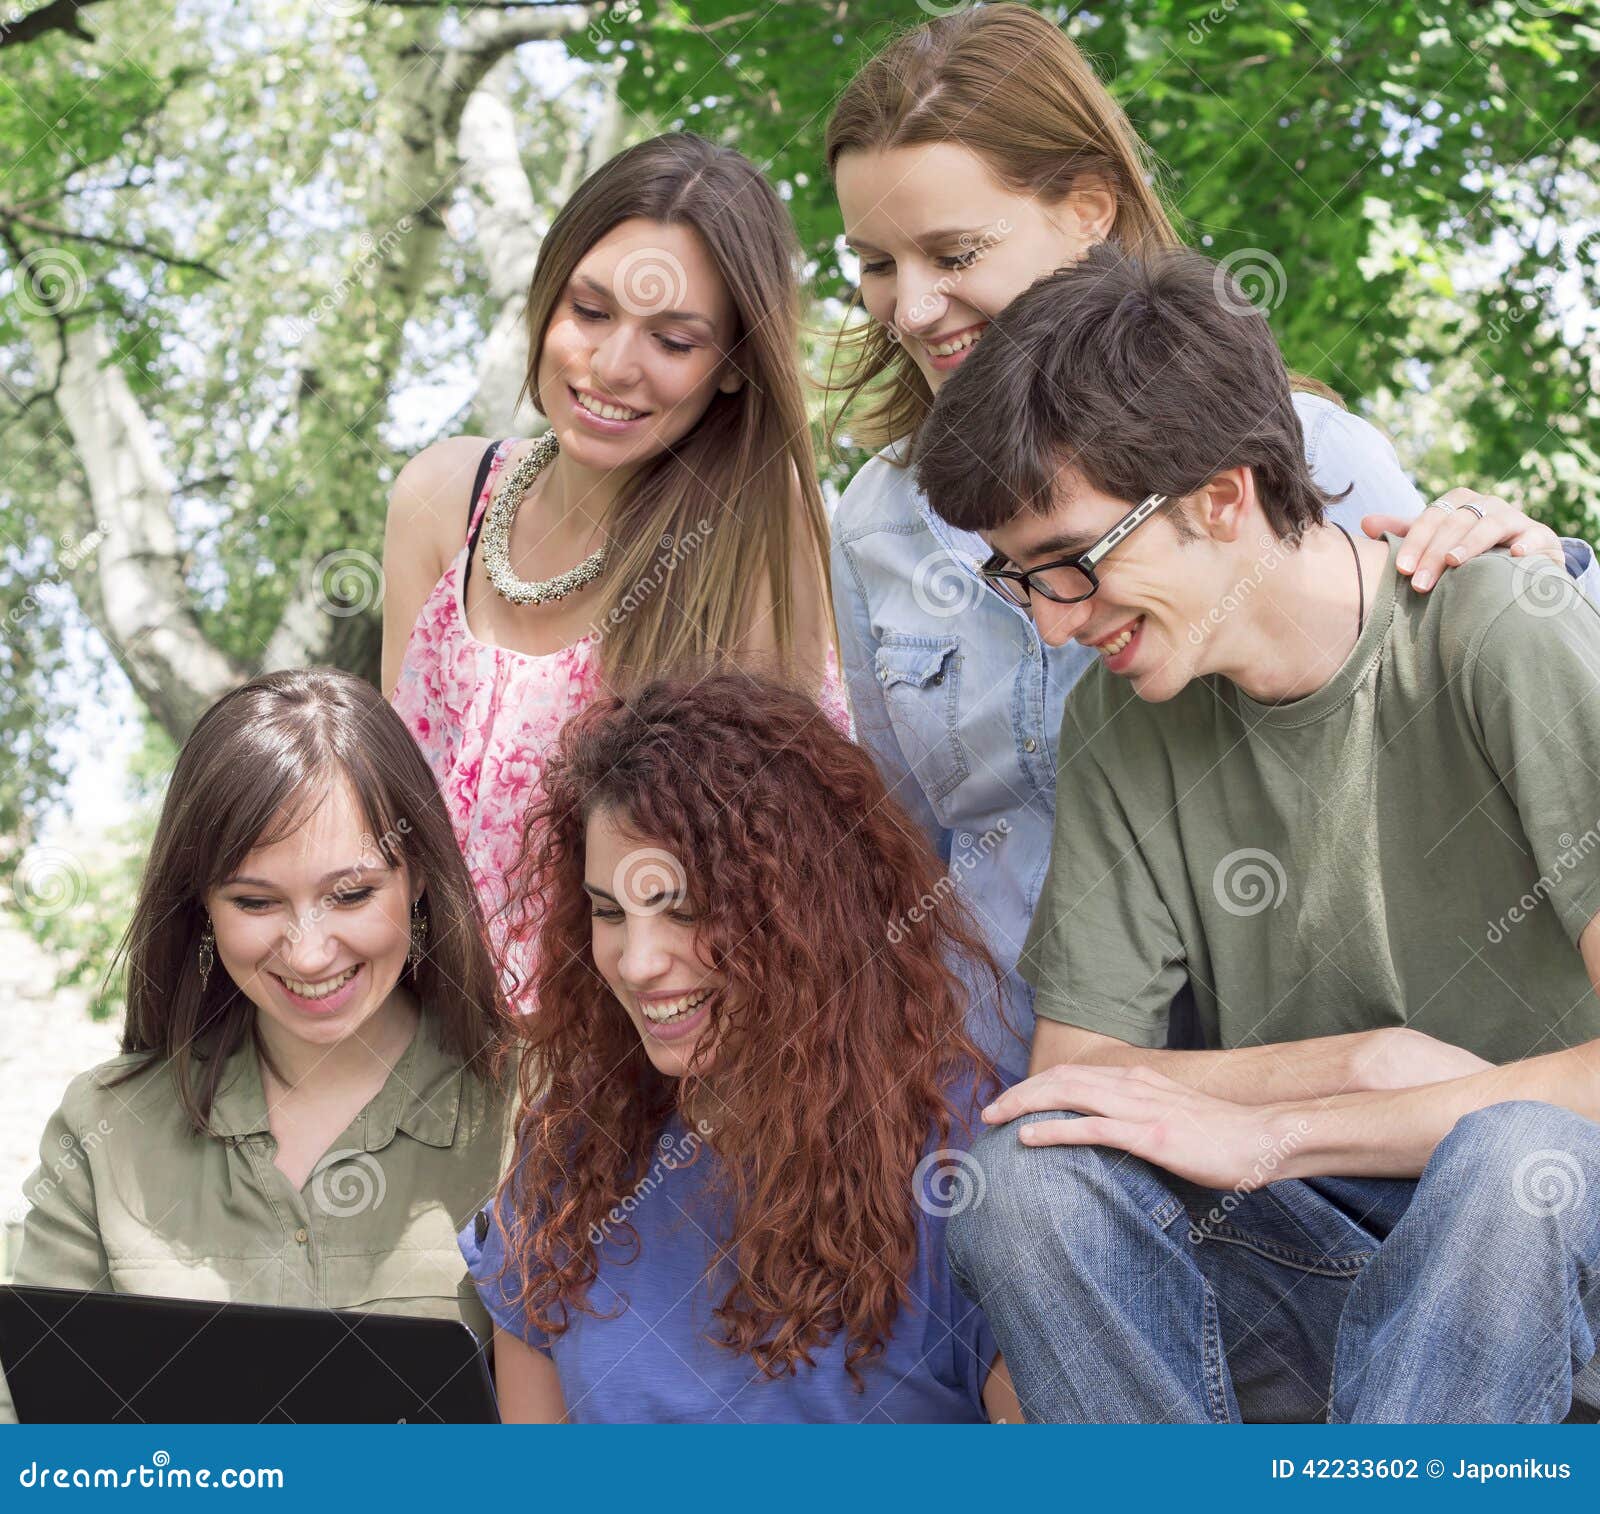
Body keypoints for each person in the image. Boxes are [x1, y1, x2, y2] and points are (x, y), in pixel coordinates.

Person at [823, 1, 1600, 1080]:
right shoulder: (873, 524)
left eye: (953, 251)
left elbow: (1444, 676)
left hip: (1304, 1080)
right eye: (871, 263)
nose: (908, 307)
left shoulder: (1299, 444)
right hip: (1018, 1070)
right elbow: (895, 853)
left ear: (1088, 207)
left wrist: (1546, 568)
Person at [913, 241, 1600, 1425]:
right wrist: (1359, 1064)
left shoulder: (1497, 628)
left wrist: (1273, 1129)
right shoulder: (1120, 724)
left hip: (1540, 1252)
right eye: (1018, 580)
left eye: (1069, 564)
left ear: (1219, 496)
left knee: (1507, 1157)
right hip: (1309, 1260)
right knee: (1025, 1185)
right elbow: (1072, 1088)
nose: (1053, 622)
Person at [458, 672, 1017, 1423]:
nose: (637, 961)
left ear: (802, 910)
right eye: (609, 911)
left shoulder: (968, 1162)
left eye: (682, 908)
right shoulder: (569, 1155)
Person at [382, 132, 847, 1006]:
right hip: (421, 1036)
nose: (612, 366)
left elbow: (767, 876)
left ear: (736, 367)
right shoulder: (440, 497)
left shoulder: (753, 516)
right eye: (590, 312)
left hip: (630, 1060)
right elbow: (389, 820)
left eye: (673, 339)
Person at [0, 669, 514, 1423]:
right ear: (201, 907)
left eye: (350, 894)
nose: (307, 954)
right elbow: (31, 1447)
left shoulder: (535, 1117)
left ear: (421, 881)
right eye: (255, 901)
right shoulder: (102, 1131)